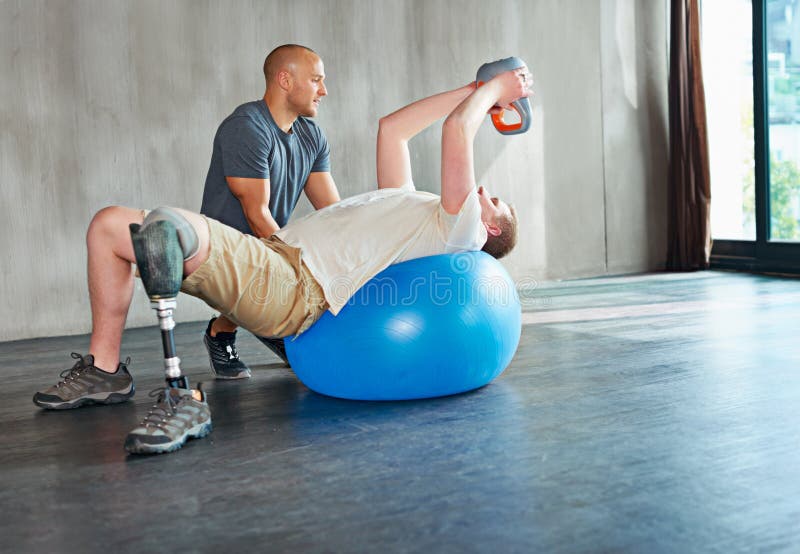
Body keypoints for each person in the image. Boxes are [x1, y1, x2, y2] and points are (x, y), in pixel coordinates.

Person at [32, 64, 529, 455]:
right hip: (272, 260)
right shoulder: (408, 204)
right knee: (109, 228)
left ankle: (180, 395)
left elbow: (457, 132)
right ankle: (105, 368)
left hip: (292, 284)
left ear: (486, 228)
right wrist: (473, 87)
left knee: (164, 226)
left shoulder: (457, 231)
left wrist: (494, 92)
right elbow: (394, 129)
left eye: (494, 201)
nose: (483, 192)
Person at [200, 44, 340, 380]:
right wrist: (295, 273)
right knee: (279, 275)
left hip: (267, 239)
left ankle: (276, 324)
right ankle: (223, 331)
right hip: (223, 250)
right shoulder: (246, 127)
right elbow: (256, 214)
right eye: (316, 80)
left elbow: (332, 211)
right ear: (285, 80)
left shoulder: (311, 135)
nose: (324, 90)